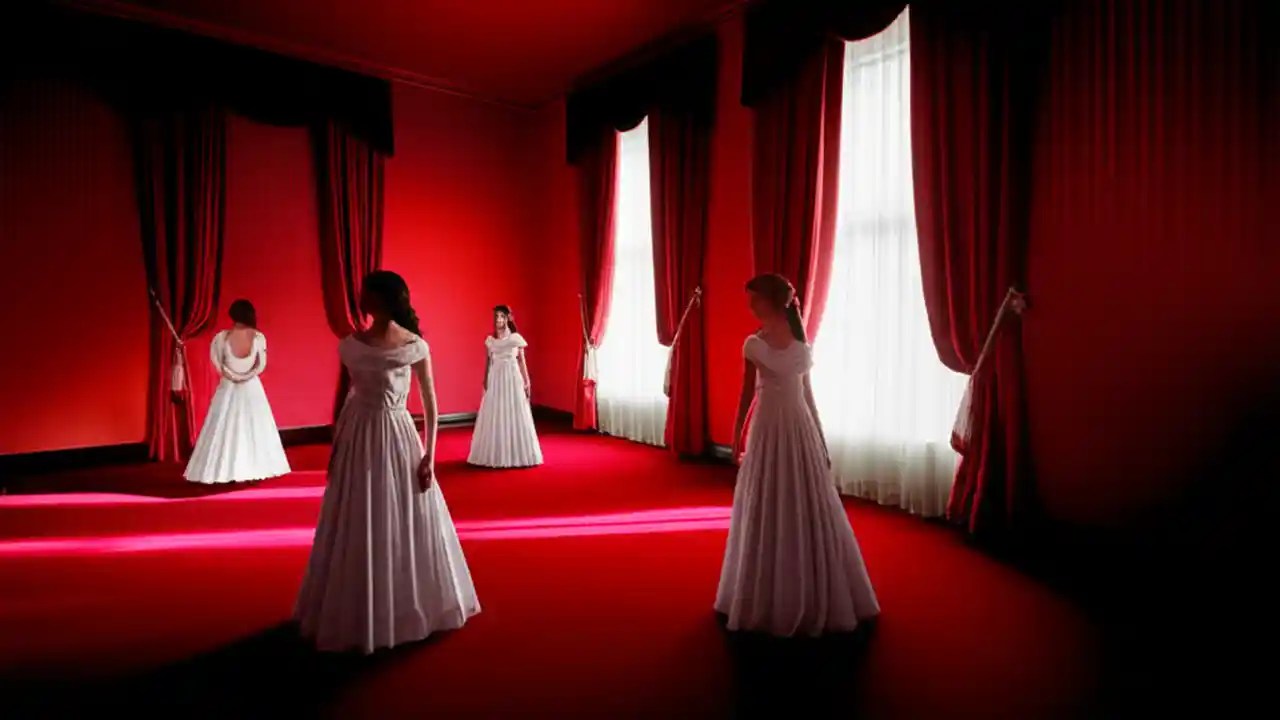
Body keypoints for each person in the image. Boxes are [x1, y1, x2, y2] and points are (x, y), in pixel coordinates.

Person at [294, 270, 479, 654]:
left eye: (367, 293)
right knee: (359, 514)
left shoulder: (413, 346)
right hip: (359, 434)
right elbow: (347, 399)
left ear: (381, 299)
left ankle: (402, 605)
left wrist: (430, 454)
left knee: (399, 514)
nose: (362, 297)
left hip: (395, 434)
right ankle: (362, 607)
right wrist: (338, 446)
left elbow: (430, 403)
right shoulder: (350, 346)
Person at [715, 273, 880, 636]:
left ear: (773, 302)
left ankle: (810, 584)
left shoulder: (802, 346)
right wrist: (736, 436)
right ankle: (766, 589)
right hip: (767, 430)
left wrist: (820, 440)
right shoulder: (753, 344)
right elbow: (747, 395)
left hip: (798, 428)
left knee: (805, 501)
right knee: (768, 499)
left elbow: (808, 396)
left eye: (754, 300)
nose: (750, 306)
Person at [184, 299, 290, 484]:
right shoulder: (258, 337)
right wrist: (246, 376)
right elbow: (261, 365)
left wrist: (231, 376)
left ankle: (223, 471)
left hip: (228, 387)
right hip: (251, 388)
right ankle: (253, 469)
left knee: (224, 428)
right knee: (253, 428)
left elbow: (217, 363)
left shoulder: (221, 338)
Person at [467, 305, 543, 468]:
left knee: (514, 410)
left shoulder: (515, 338)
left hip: (512, 377)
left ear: (508, 318)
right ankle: (495, 453)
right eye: (496, 317)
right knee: (495, 411)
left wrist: (527, 381)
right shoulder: (490, 340)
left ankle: (518, 452)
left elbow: (522, 360)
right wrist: (485, 379)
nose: (499, 320)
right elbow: (488, 362)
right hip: (496, 377)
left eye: (502, 316)